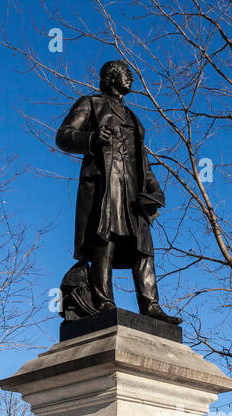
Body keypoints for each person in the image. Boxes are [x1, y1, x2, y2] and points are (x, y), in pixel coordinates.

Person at [55, 60, 171, 322]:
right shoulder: (90, 104)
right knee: (104, 238)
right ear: (110, 77)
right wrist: (91, 139)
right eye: (124, 72)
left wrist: (154, 190)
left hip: (132, 189)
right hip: (104, 185)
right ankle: (103, 300)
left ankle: (150, 305)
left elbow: (142, 161)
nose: (130, 76)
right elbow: (63, 136)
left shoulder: (132, 118)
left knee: (143, 246)